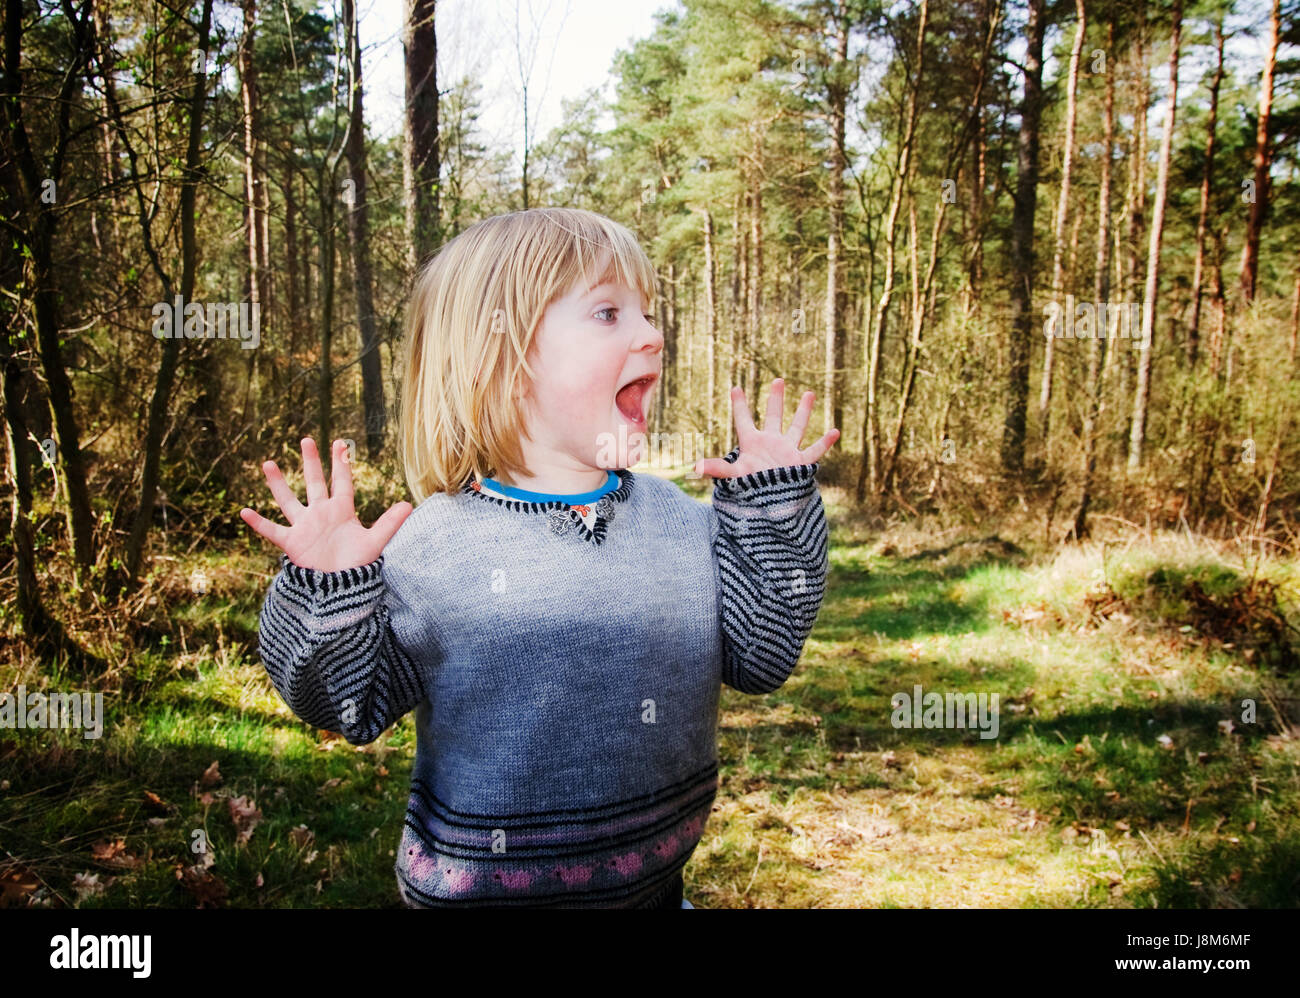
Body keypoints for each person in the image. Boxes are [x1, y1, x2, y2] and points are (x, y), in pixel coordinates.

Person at [241, 207, 839, 908]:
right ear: (506, 356)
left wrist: (770, 507)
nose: (652, 333)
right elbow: (342, 705)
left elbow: (762, 657)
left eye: (648, 312)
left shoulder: (682, 523)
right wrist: (327, 587)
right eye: (610, 313)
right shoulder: (435, 546)